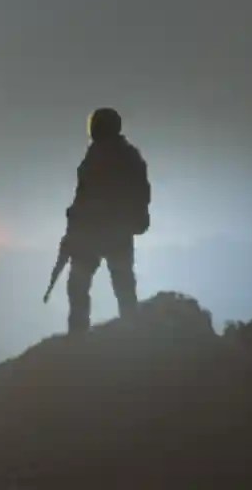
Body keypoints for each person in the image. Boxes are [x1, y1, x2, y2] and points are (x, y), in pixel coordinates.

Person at [62, 107, 150, 334]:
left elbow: (85, 196)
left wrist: (75, 225)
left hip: (99, 231)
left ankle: (80, 335)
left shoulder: (101, 157)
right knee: (121, 283)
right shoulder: (125, 155)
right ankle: (130, 329)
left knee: (82, 285)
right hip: (111, 230)